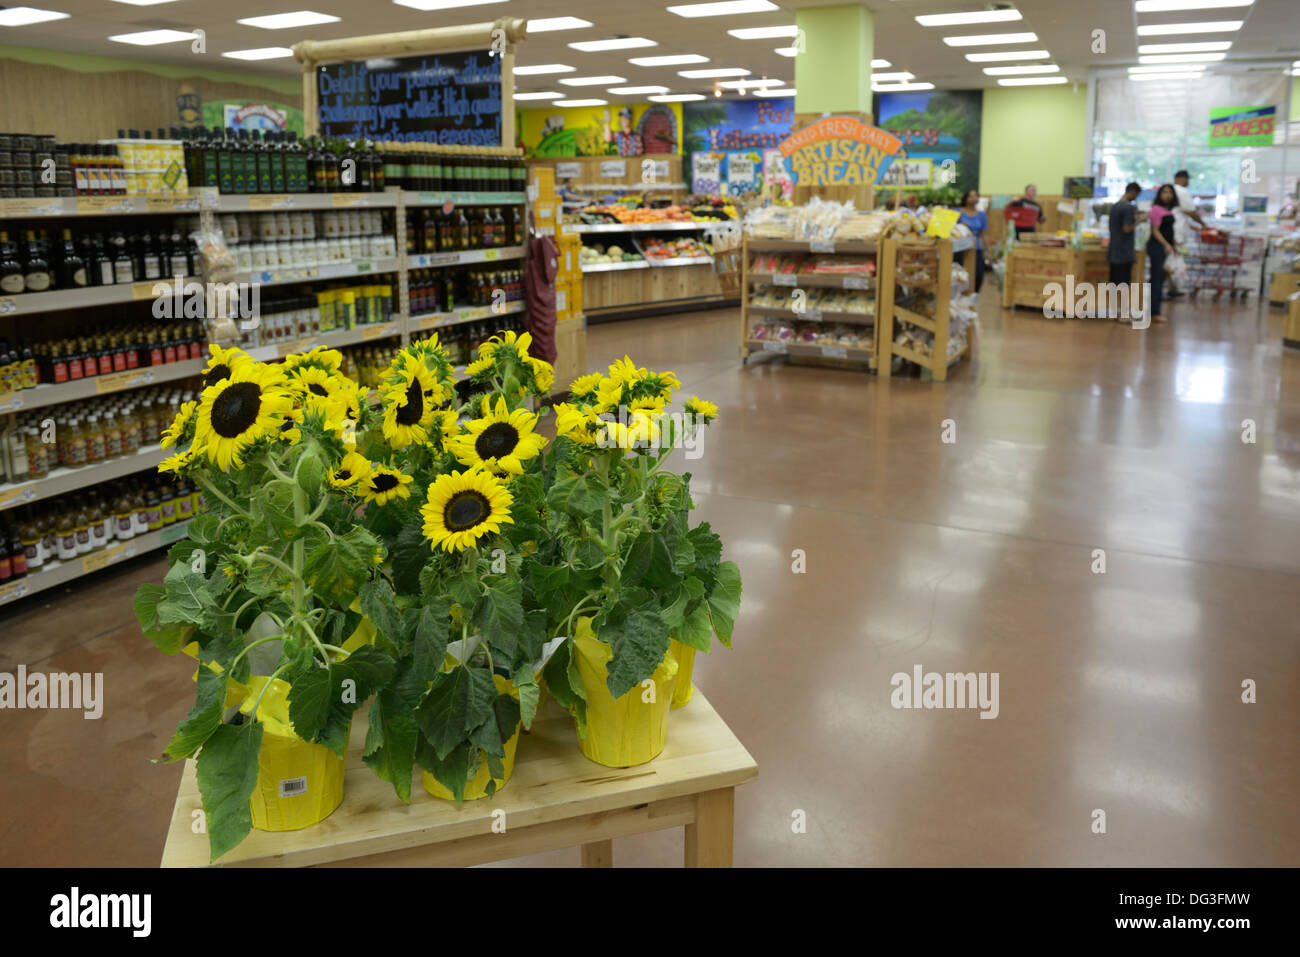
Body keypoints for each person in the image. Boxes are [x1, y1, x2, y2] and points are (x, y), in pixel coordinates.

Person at [1167, 170, 1207, 298]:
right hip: (1176, 234)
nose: (1188, 182)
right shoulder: (1182, 191)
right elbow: (1192, 212)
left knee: (1168, 261)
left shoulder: (1168, 191)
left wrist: (1192, 227)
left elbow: (1177, 213)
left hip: (1169, 231)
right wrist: (1204, 225)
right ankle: (1155, 289)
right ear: (1183, 179)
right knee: (1170, 262)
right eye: (1188, 179)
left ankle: (1171, 287)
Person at [1105, 182, 1142, 319]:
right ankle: (1124, 314)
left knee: (1114, 284)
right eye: (1136, 195)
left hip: (1113, 250)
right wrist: (1139, 221)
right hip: (1124, 252)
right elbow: (1127, 229)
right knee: (1124, 285)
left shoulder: (1114, 206)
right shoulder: (1128, 208)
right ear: (1133, 192)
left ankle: (1114, 312)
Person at [1146, 184, 1178, 324]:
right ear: (1159, 194)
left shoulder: (1168, 211)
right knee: (1157, 279)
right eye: (1165, 192)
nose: (1168, 195)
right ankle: (1154, 312)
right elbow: (1155, 231)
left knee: (1160, 279)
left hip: (1166, 248)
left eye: (1170, 192)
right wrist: (1166, 245)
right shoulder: (1156, 209)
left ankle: (1153, 309)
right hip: (1157, 247)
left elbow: (1169, 230)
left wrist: (1173, 245)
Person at [956, 188, 990, 293]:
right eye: (970, 196)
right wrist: (959, 225)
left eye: (975, 196)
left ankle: (973, 296)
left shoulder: (982, 215)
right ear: (966, 198)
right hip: (960, 248)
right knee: (959, 274)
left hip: (976, 248)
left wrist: (988, 252)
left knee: (978, 275)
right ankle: (959, 298)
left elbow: (985, 234)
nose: (973, 198)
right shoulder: (957, 212)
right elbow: (950, 228)